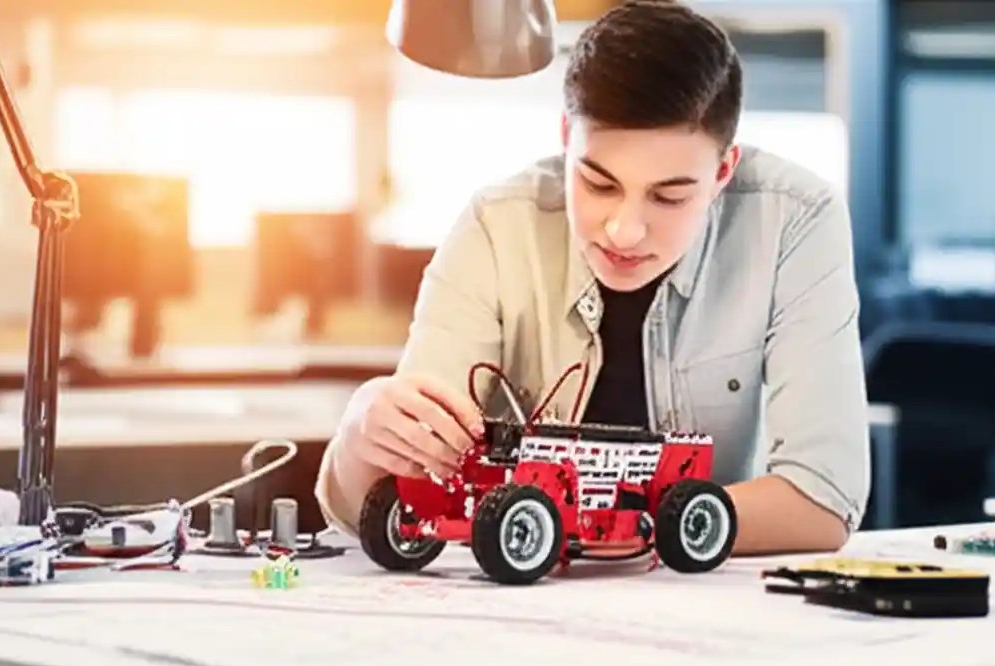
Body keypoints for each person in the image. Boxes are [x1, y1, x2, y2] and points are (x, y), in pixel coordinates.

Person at [315, 0, 870, 555]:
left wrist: (621, 525)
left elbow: (822, 499)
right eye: (598, 185)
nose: (625, 231)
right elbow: (386, 494)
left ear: (723, 170)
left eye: (669, 196)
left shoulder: (794, 218)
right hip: (513, 602)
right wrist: (363, 435)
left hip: (700, 607)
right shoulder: (499, 223)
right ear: (566, 139)